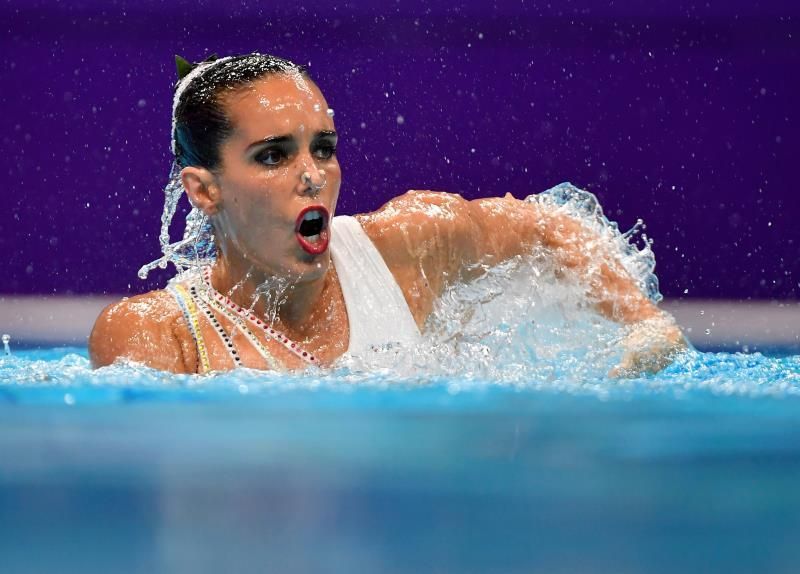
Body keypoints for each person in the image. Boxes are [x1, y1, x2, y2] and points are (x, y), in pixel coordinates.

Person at [89, 52, 686, 375]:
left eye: (323, 147)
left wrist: (642, 322)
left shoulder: (410, 245)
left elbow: (549, 225)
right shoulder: (158, 335)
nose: (311, 173)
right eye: (273, 155)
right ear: (204, 190)